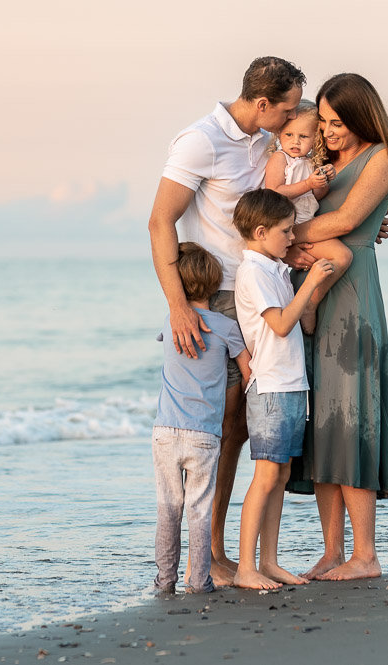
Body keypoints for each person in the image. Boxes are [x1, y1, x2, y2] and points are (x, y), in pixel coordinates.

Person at [148, 56, 306, 586]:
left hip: (260, 287)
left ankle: (217, 548)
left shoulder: (266, 140)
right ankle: (208, 554)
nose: (290, 120)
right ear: (262, 103)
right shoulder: (199, 141)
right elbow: (159, 222)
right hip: (215, 298)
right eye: (285, 110)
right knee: (215, 424)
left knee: (239, 427)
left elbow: (282, 202)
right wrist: (177, 306)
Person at [285, 73, 388, 582]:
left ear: (361, 116)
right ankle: (333, 552)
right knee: (323, 426)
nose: (329, 131)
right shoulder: (320, 162)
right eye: (325, 122)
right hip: (309, 288)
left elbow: (345, 220)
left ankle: (366, 555)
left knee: (353, 417)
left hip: (352, 292)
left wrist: (279, 234)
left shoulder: (380, 157)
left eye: (338, 123)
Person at [230, 189, 334, 591]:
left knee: (282, 473)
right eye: (286, 231)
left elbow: (302, 324)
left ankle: (269, 561)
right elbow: (279, 324)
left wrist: (305, 284)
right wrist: (310, 285)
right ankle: (244, 567)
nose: (292, 238)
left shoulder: (274, 269)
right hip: (270, 387)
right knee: (265, 475)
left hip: (291, 383)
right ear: (261, 231)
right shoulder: (254, 272)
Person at [152, 242, 253, 594]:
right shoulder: (226, 328)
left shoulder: (170, 322)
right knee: (198, 509)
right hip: (205, 436)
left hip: (165, 432)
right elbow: (247, 373)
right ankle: (199, 580)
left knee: (168, 508)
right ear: (214, 284)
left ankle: (164, 582)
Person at [263, 100, 352, 332]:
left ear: (316, 139)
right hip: (289, 227)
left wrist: (323, 179)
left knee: (340, 257)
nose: (295, 141)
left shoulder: (311, 163)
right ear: (279, 134)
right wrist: (307, 183)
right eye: (288, 134)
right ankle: (309, 303)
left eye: (303, 136)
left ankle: (307, 301)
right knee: (342, 256)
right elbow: (274, 194)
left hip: (307, 225)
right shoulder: (279, 159)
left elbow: (318, 196)